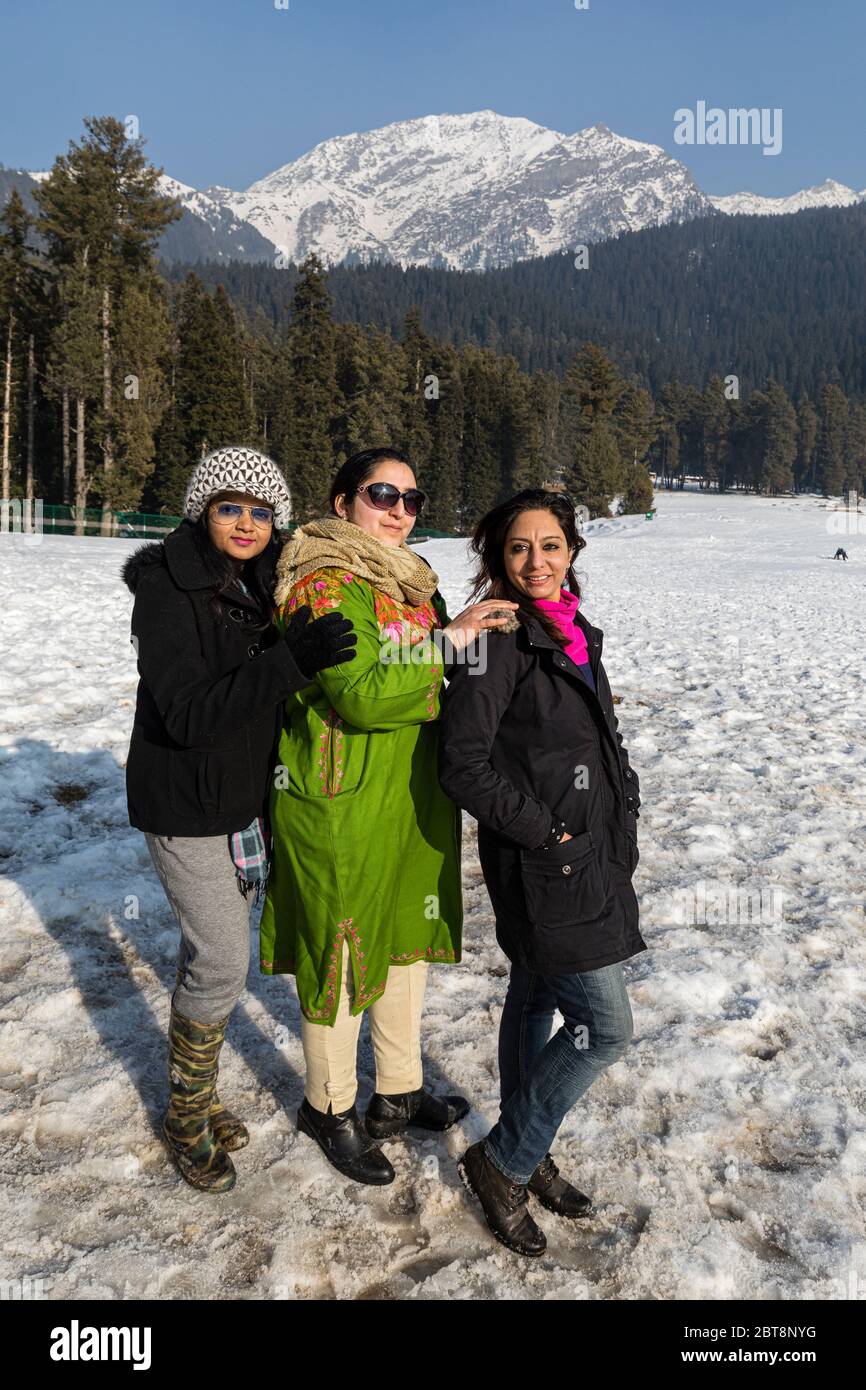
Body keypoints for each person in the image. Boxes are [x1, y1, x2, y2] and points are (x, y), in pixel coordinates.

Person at [259, 447, 517, 1185]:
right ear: (342, 503)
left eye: (412, 498)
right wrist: (453, 641)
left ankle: (398, 1092)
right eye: (382, 494)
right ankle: (328, 1106)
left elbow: (441, 671)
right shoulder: (321, 582)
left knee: (405, 939)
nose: (400, 511)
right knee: (343, 953)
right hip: (339, 803)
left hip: (409, 797)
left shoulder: (411, 586)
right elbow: (363, 694)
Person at [122, 446, 357, 1194]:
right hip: (185, 802)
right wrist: (291, 661)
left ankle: (201, 1092)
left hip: (245, 801)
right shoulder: (166, 590)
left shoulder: (265, 580)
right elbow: (189, 711)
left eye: (262, 512)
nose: (248, 524)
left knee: (213, 958)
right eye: (232, 508)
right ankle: (184, 1116)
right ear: (203, 511)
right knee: (222, 958)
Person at [438, 488, 646, 1257]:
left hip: (588, 847)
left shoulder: (572, 629)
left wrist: (622, 804)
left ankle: (529, 1145)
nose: (535, 562)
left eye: (550, 545)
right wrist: (547, 832)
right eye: (518, 548)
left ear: (571, 551)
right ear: (499, 556)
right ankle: (503, 1163)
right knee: (605, 1029)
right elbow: (461, 765)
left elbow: (598, 732)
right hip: (548, 861)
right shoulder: (497, 637)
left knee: (531, 1000)